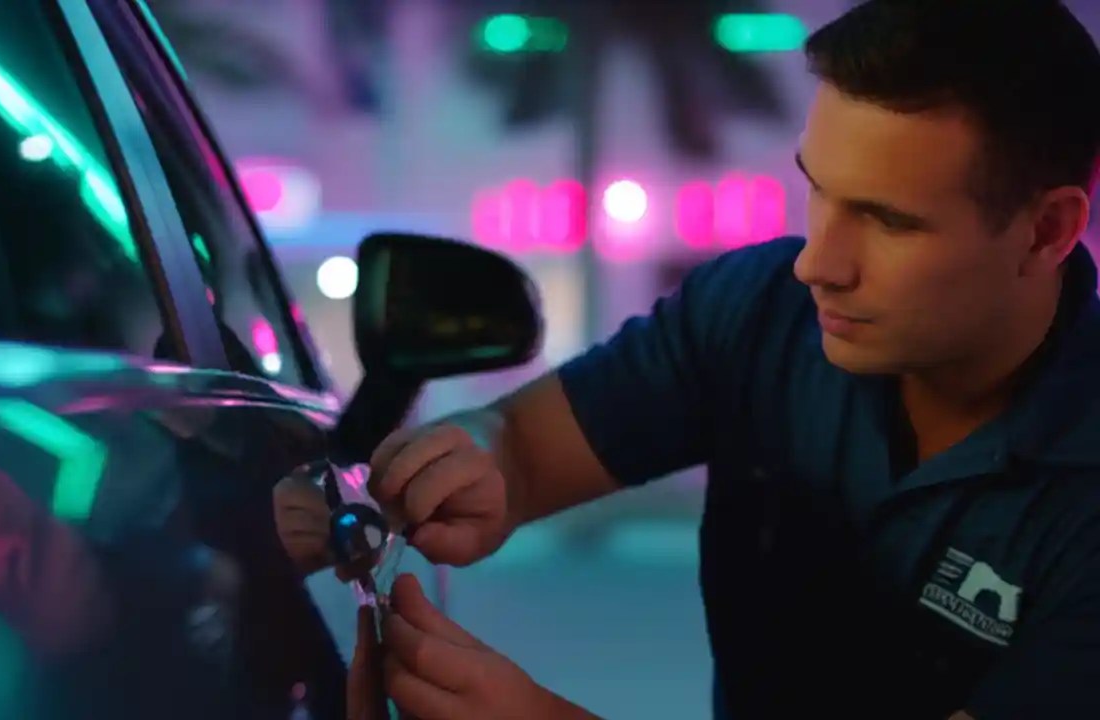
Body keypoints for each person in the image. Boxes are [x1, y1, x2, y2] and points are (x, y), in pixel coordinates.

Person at [352, 1, 1100, 718]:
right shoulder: (763, 308)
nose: (819, 263)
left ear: (1045, 230)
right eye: (820, 191)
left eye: (888, 221)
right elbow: (521, 447)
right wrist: (481, 460)